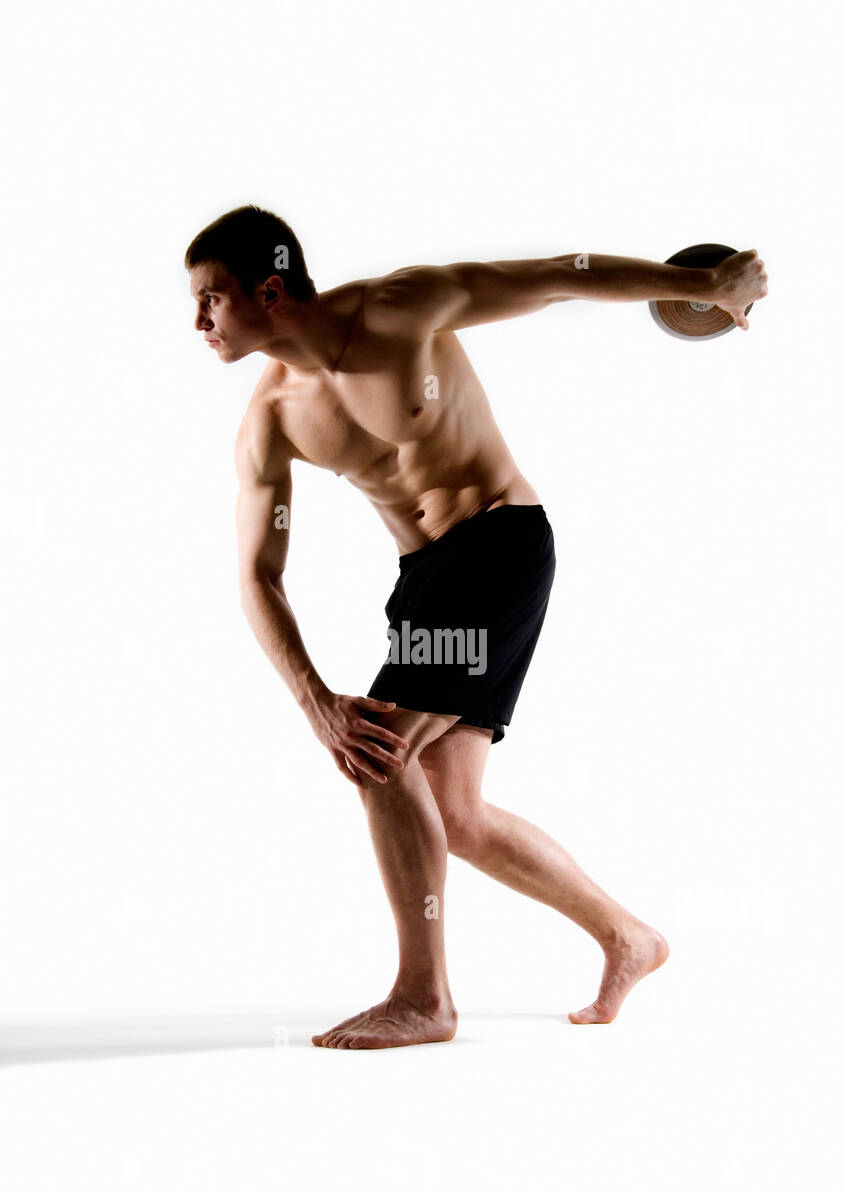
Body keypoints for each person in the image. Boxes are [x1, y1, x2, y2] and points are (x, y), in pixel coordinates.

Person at [185, 205, 768, 1050]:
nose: (198, 322)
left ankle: (424, 998)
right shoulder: (270, 420)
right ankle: (627, 937)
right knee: (451, 810)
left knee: (379, 751)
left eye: (211, 299)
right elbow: (256, 576)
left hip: (498, 541)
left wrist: (700, 285)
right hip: (425, 581)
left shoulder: (398, 310)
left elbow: (552, 279)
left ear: (269, 291)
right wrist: (314, 699)